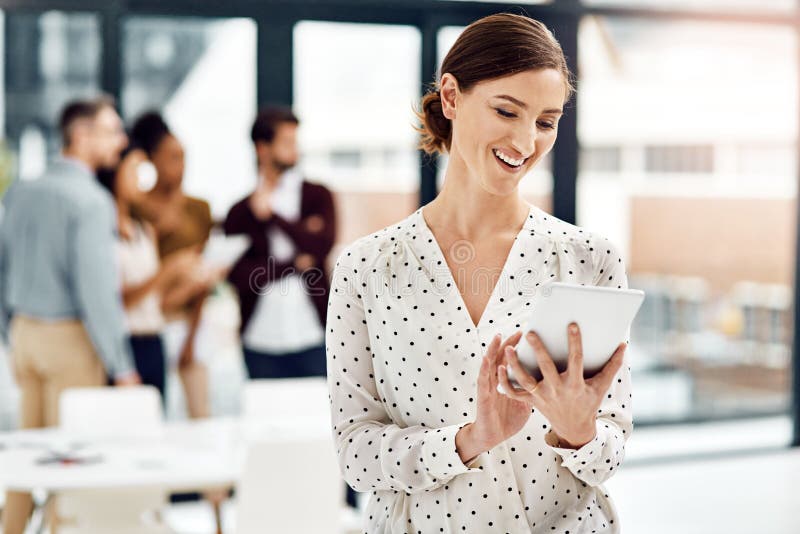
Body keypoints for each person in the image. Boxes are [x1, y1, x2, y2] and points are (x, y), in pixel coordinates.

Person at [325, 13, 632, 533]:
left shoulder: (589, 258)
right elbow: (355, 455)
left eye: (545, 121)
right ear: (450, 98)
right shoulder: (367, 266)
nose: (526, 140)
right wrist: (469, 439)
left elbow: (612, 447)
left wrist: (580, 432)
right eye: (506, 110)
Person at [0, 97, 140, 534]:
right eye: (112, 131)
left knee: (27, 457)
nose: (121, 141)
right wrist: (122, 366)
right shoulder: (92, 200)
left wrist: (11, 330)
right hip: (69, 340)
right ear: (81, 136)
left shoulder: (22, 190)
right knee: (72, 463)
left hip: (24, 335)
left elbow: (2, 267)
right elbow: (97, 293)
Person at [224, 107, 336, 380]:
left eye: (295, 141)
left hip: (313, 334)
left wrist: (273, 218)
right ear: (262, 148)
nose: (294, 149)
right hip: (259, 339)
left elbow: (321, 246)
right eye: (286, 142)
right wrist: (294, 264)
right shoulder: (240, 212)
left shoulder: (317, 196)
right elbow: (237, 275)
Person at [98, 148, 201, 403]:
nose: (141, 180)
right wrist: (166, 271)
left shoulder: (145, 231)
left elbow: (156, 302)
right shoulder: (101, 232)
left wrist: (192, 283)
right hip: (123, 344)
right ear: (115, 174)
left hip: (154, 342)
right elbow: (116, 300)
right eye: (134, 171)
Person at [131, 112, 217, 419]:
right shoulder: (135, 206)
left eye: (183, 157)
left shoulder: (199, 209)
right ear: (152, 160)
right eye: (172, 158)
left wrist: (192, 338)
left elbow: (205, 277)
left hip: (190, 319)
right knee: (152, 412)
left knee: (199, 412)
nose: (180, 167)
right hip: (152, 319)